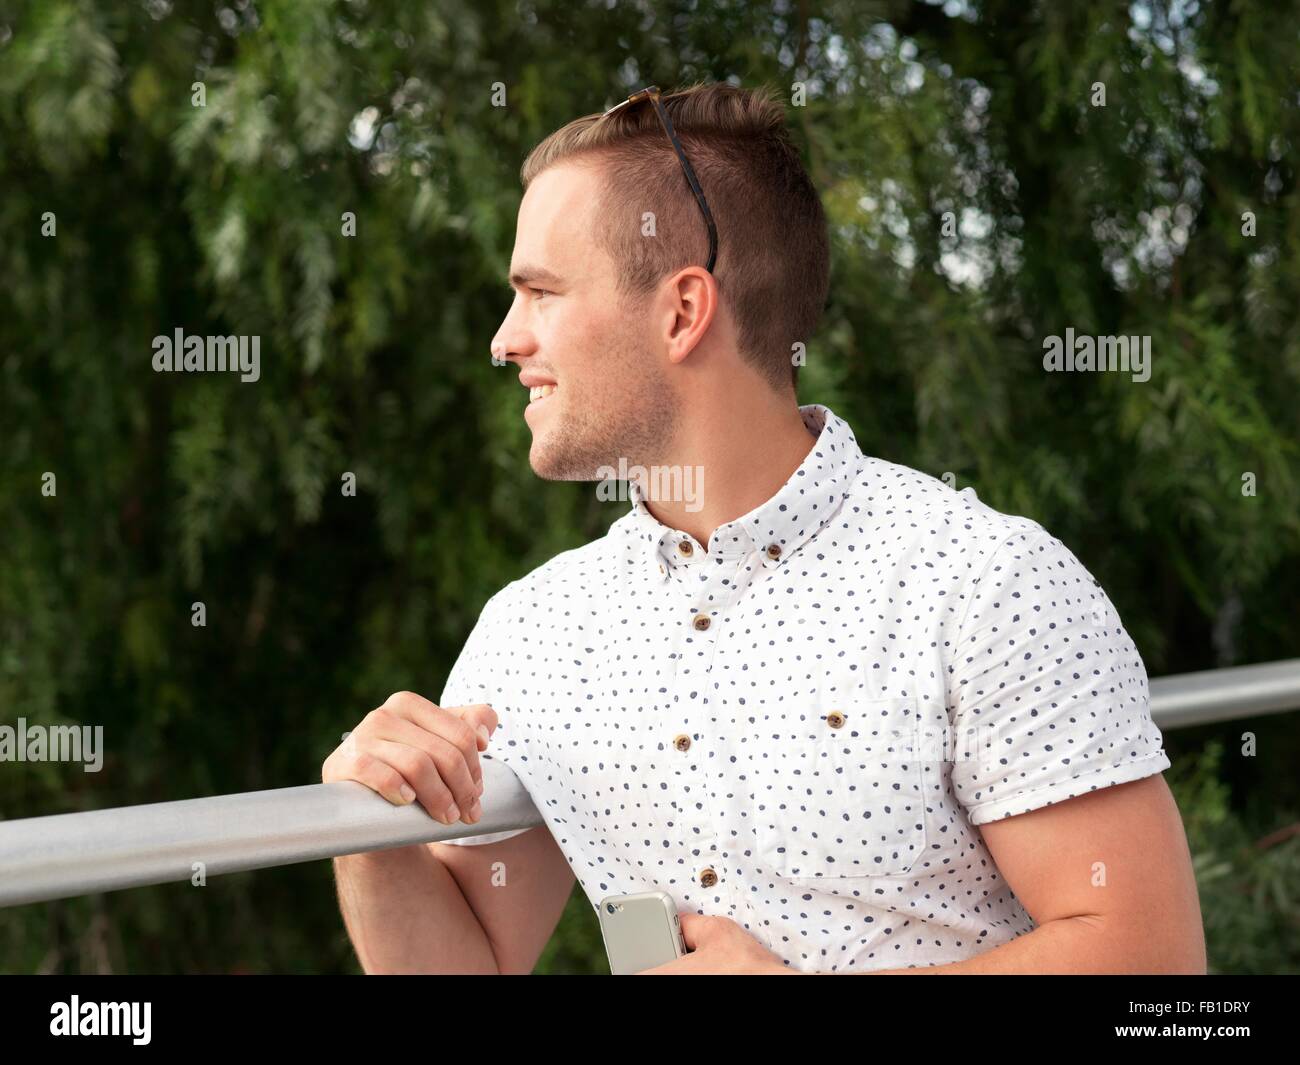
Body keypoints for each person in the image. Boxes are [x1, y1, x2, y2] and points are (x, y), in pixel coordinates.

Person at [324, 82, 1205, 975]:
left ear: (682, 310)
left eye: (540, 292)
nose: (504, 340)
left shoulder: (982, 583)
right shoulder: (535, 631)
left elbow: (1157, 970)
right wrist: (367, 826)